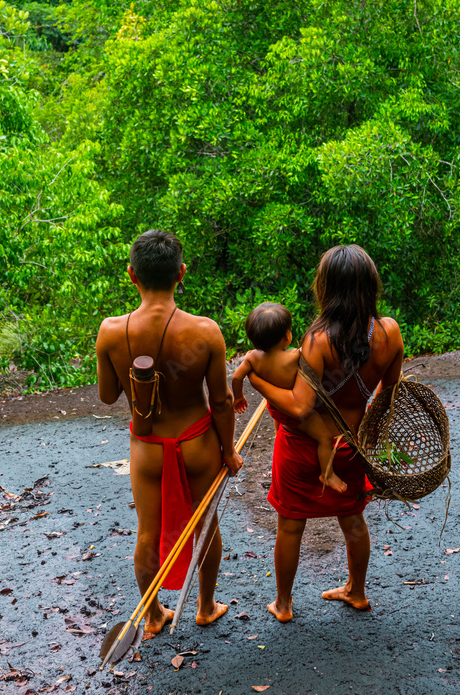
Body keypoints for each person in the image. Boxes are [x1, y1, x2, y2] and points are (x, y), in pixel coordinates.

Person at [96, 229, 243, 638]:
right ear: (182, 273)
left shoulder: (110, 331)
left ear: (131, 275)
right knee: (206, 525)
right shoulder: (207, 331)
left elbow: (108, 397)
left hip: (147, 448)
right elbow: (222, 401)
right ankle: (206, 605)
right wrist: (228, 450)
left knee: (147, 532)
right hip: (198, 443)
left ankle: (156, 614)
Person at [247, 244, 404, 623]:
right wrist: (371, 435)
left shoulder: (316, 341)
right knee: (352, 519)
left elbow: (300, 406)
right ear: (370, 285)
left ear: (326, 288)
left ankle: (283, 605)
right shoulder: (390, 333)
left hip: (304, 447)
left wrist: (255, 380)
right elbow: (389, 393)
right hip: (351, 445)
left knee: (290, 523)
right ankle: (357, 591)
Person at [232, 302, 348, 493]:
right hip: (299, 415)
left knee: (282, 424)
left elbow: (236, 376)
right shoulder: (295, 356)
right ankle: (326, 475)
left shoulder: (252, 357)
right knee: (325, 438)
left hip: (276, 409)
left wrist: (238, 397)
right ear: (287, 336)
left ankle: (282, 436)